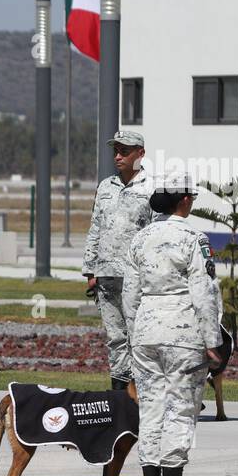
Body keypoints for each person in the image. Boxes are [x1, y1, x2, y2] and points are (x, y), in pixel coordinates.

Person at [122, 174, 222, 476]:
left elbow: (129, 294)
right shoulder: (195, 238)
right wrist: (213, 341)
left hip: (146, 332)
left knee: (150, 410)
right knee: (180, 410)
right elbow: (204, 292)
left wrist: (135, 335)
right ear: (184, 201)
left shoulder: (140, 239)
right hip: (183, 334)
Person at [83, 130, 154, 390]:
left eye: (125, 150)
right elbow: (96, 228)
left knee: (139, 336)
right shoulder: (106, 186)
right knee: (115, 337)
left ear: (140, 153)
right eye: (116, 150)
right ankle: (119, 394)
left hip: (136, 277)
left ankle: (143, 392)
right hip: (106, 274)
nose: (118, 156)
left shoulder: (151, 187)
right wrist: (89, 270)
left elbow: (155, 234)